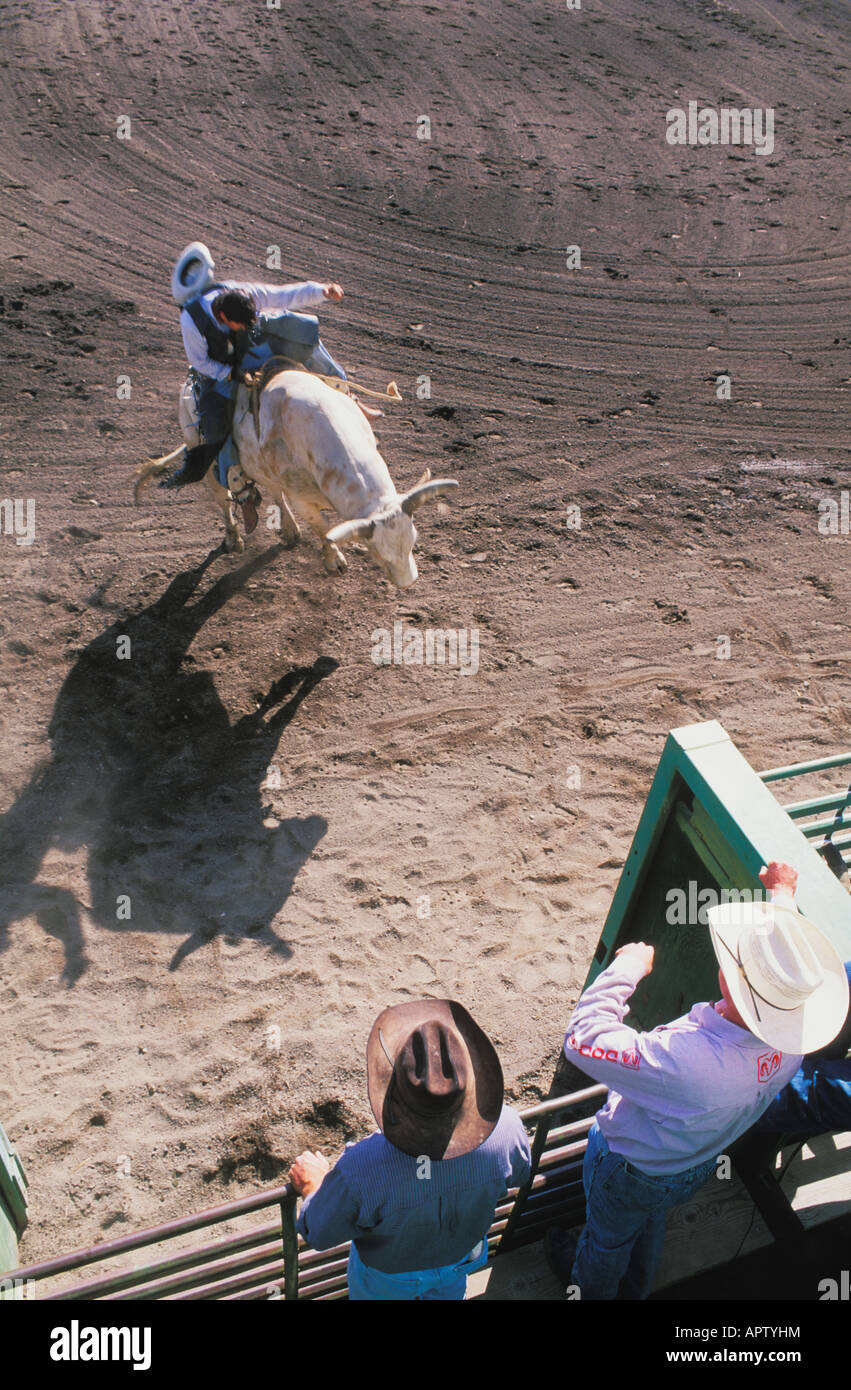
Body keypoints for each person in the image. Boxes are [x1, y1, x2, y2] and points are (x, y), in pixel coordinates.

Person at [546, 861, 849, 1300]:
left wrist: (625, 969)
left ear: (730, 981)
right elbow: (786, 963)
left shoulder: (689, 1063)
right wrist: (781, 895)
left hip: (629, 1169)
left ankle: (589, 1288)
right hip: (692, 1165)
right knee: (649, 1224)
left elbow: (583, 1039)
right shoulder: (794, 1043)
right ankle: (637, 1286)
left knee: (607, 1240)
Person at [288, 999, 532, 1300]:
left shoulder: (362, 1168)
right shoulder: (507, 1128)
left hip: (389, 1277)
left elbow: (320, 1233)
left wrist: (314, 1187)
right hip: (461, 1259)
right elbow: (520, 1174)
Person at [162, 241, 351, 531]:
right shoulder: (191, 319)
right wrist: (231, 374)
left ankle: (342, 390)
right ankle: (240, 487)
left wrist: (321, 291)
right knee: (216, 423)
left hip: (248, 351)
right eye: (240, 324)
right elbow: (200, 362)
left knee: (297, 331)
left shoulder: (241, 295)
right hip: (220, 369)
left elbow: (282, 295)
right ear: (225, 319)